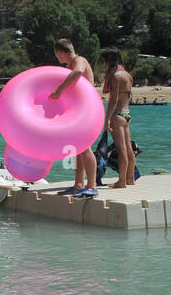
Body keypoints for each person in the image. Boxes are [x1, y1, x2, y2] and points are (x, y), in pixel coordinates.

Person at [49, 38, 98, 196]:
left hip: (87, 109)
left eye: (57, 55)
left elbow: (78, 72)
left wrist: (59, 90)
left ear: (60, 52)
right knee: (77, 148)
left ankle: (91, 186)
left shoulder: (79, 60)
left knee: (86, 147)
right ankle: (78, 184)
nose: (58, 58)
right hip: (77, 110)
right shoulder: (70, 65)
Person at [101, 48, 135, 188]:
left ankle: (121, 182)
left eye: (103, 61)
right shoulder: (127, 75)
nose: (103, 64)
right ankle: (130, 178)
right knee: (128, 149)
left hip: (118, 115)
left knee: (121, 150)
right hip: (127, 114)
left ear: (109, 60)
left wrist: (107, 119)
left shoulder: (115, 76)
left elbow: (113, 100)